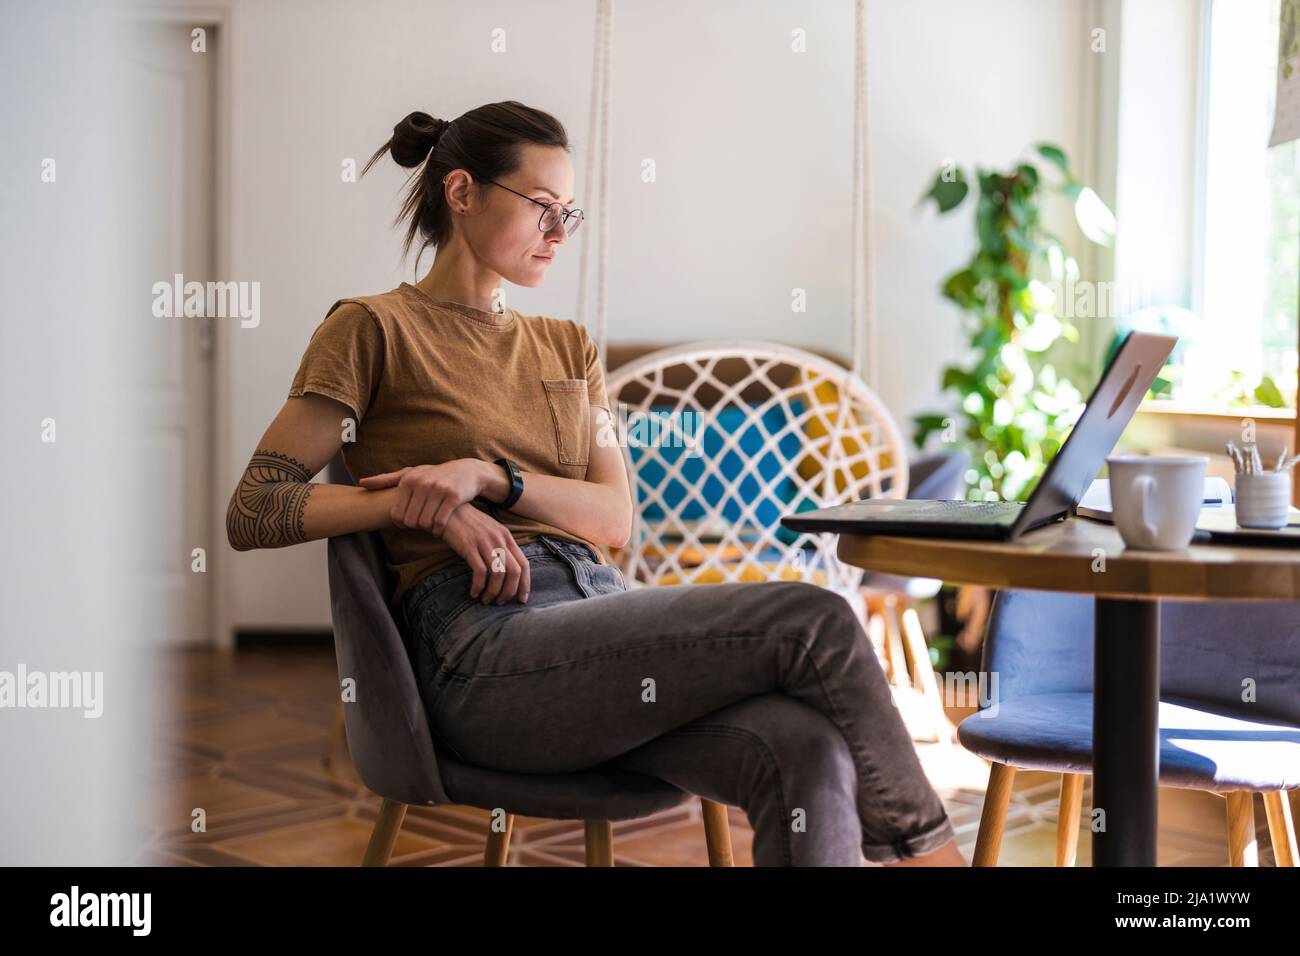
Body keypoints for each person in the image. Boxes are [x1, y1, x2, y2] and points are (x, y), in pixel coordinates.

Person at [226, 101, 965, 867]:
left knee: (807, 749)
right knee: (812, 619)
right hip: (482, 653)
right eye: (542, 208)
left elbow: (613, 520)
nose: (558, 233)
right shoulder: (372, 329)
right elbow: (254, 507)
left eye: (567, 214)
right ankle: (937, 859)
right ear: (462, 193)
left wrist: (491, 479)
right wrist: (427, 508)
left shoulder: (570, 347)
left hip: (599, 622)